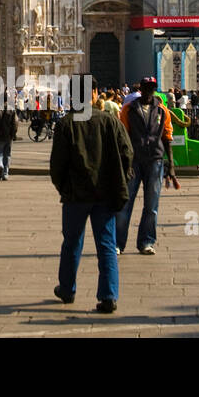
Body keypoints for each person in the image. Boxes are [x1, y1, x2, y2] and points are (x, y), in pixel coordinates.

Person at [50, 85, 133, 314]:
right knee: (106, 244)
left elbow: (56, 165)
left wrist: (65, 188)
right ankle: (108, 296)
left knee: (71, 243)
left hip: (76, 196)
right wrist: (121, 181)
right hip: (104, 195)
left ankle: (67, 289)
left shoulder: (66, 124)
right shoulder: (110, 121)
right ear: (94, 94)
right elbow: (127, 153)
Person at [115, 77, 175, 255]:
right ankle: (118, 243)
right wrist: (124, 161)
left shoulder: (162, 110)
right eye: (147, 88)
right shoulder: (129, 109)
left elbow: (167, 137)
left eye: (152, 88)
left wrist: (171, 165)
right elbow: (123, 135)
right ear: (140, 89)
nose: (149, 91)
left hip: (155, 160)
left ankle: (146, 241)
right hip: (134, 160)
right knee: (126, 203)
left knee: (152, 206)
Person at [0, 97, 17, 181]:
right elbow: (15, 123)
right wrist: (13, 134)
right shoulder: (11, 109)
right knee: (7, 155)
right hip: (8, 136)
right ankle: (5, 173)